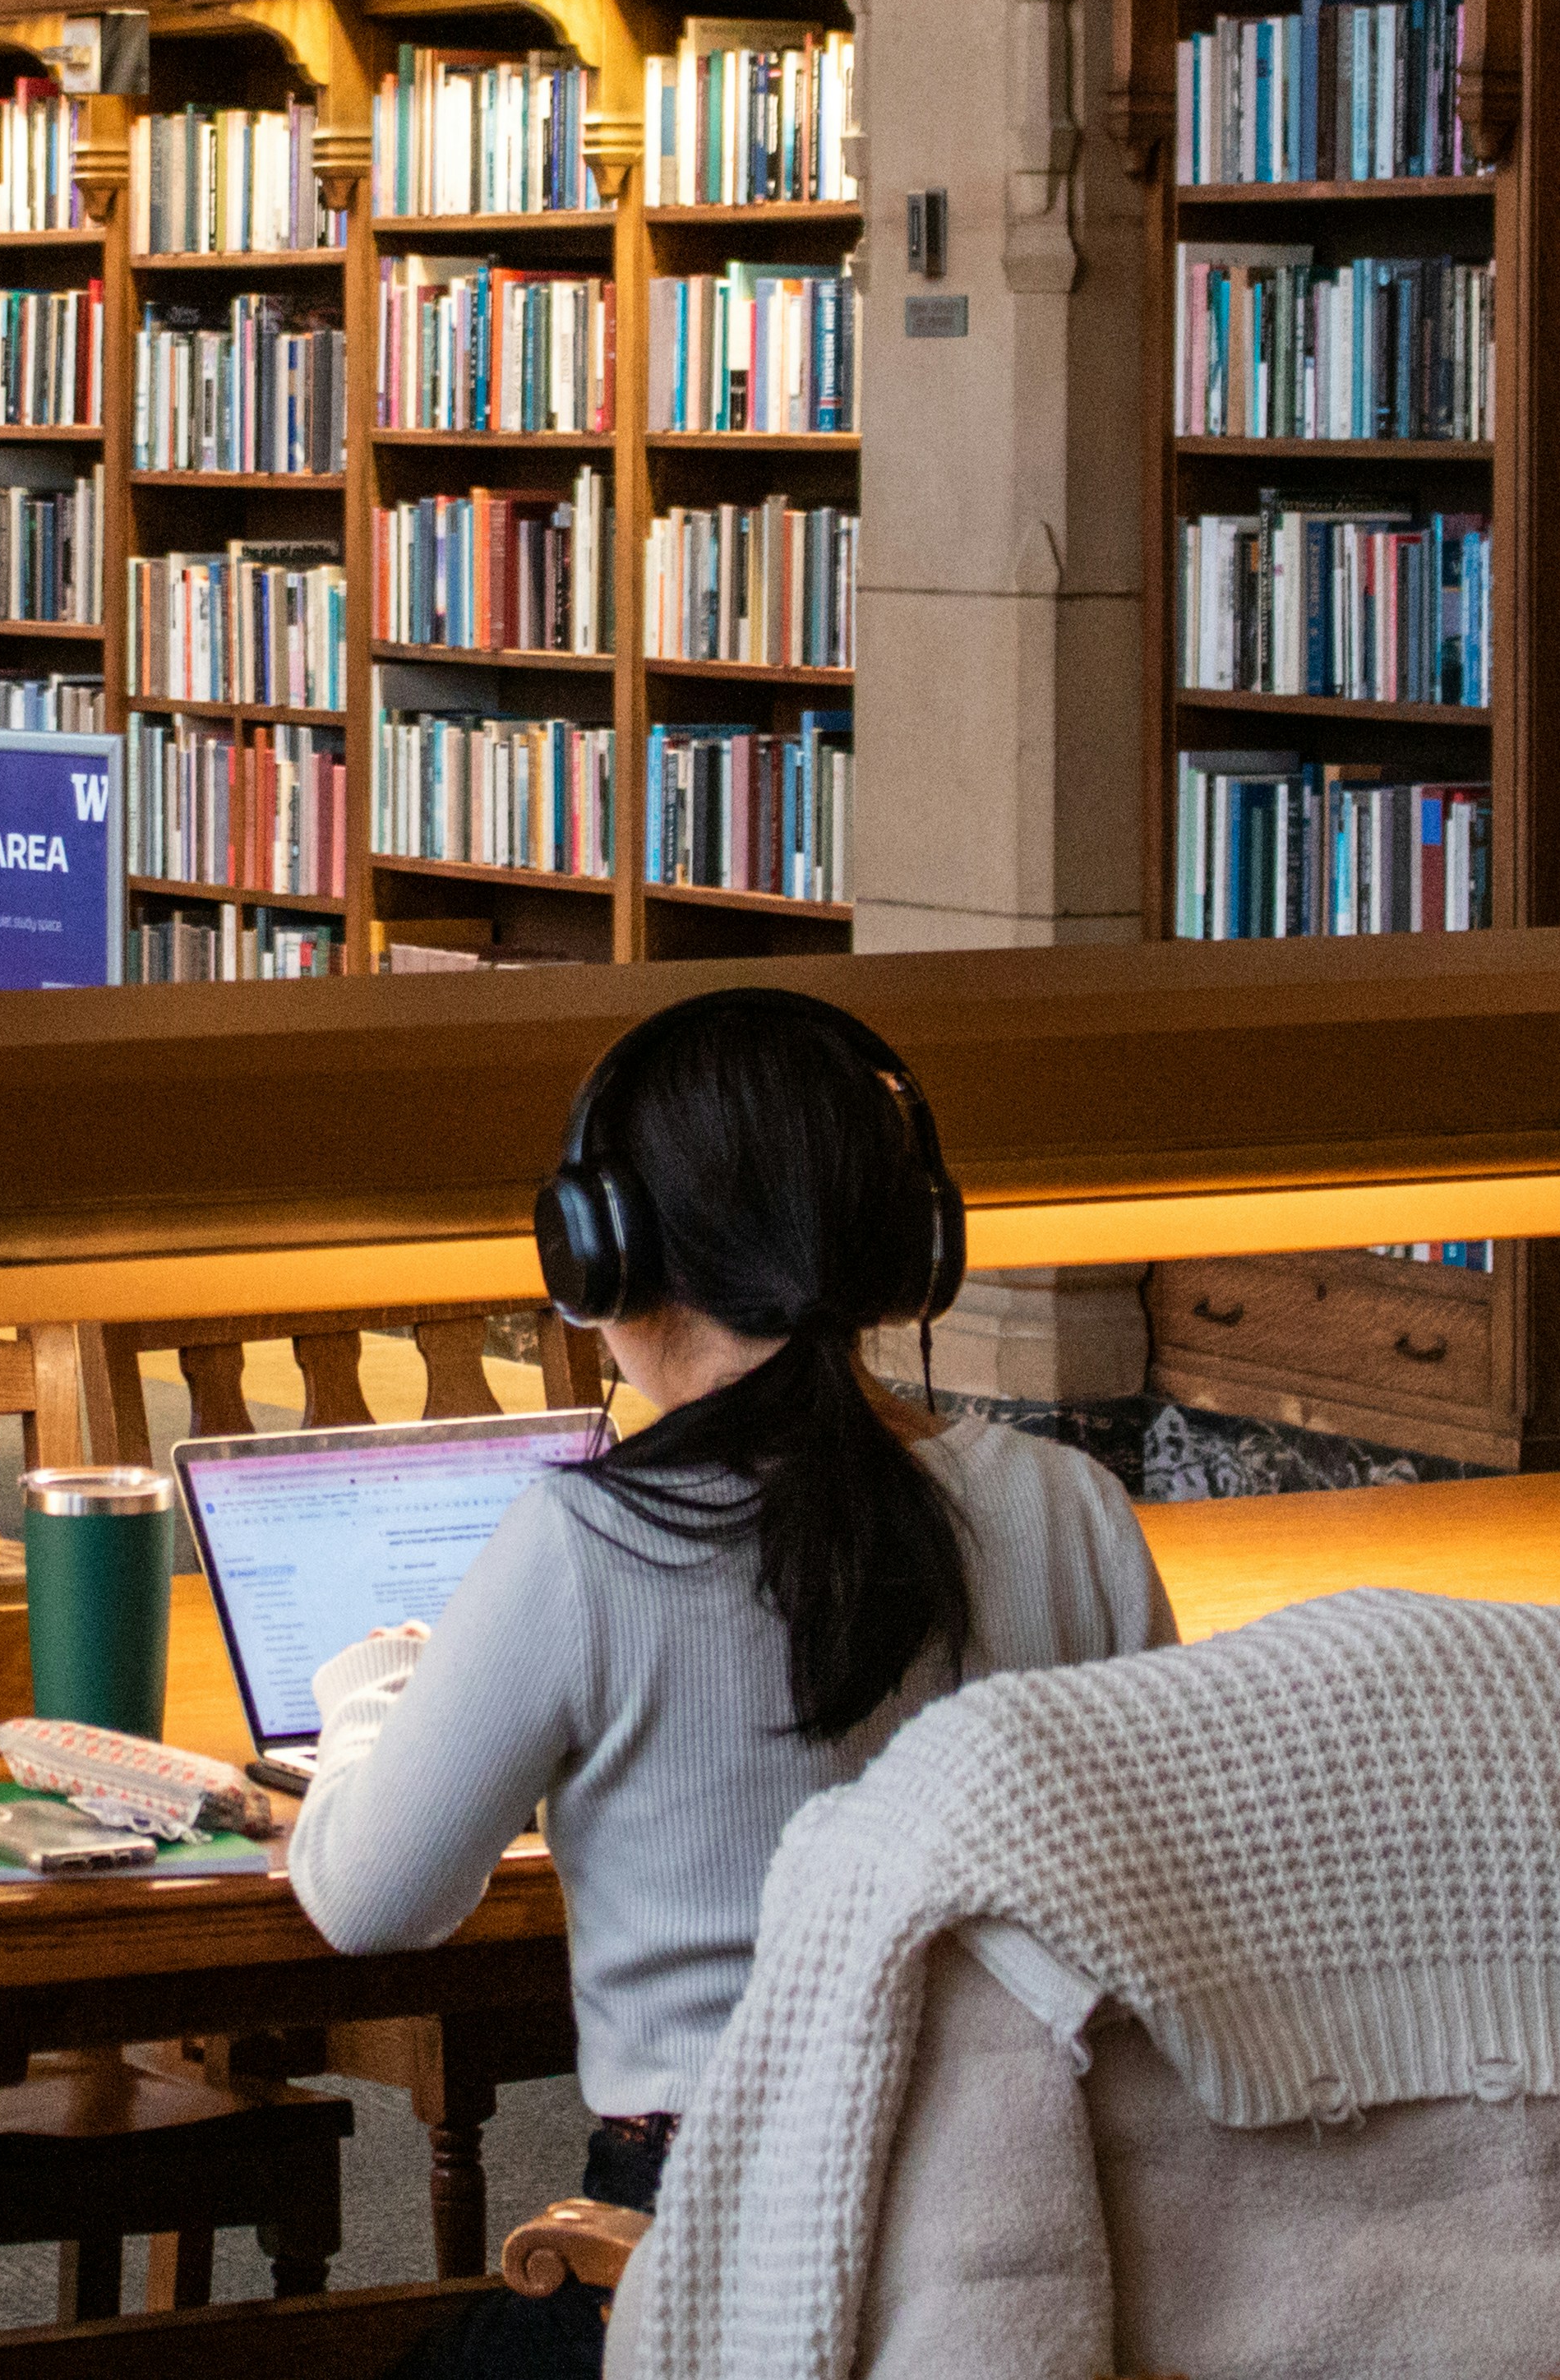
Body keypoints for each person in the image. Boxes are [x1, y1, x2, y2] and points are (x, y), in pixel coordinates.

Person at [285, 987, 1174, 2380]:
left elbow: (373, 1896)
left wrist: (378, 1693)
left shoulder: (592, 1538)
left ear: (601, 1246)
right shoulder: (1069, 1508)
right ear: (909, 1244)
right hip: (1020, 2245)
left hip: (690, 2259)